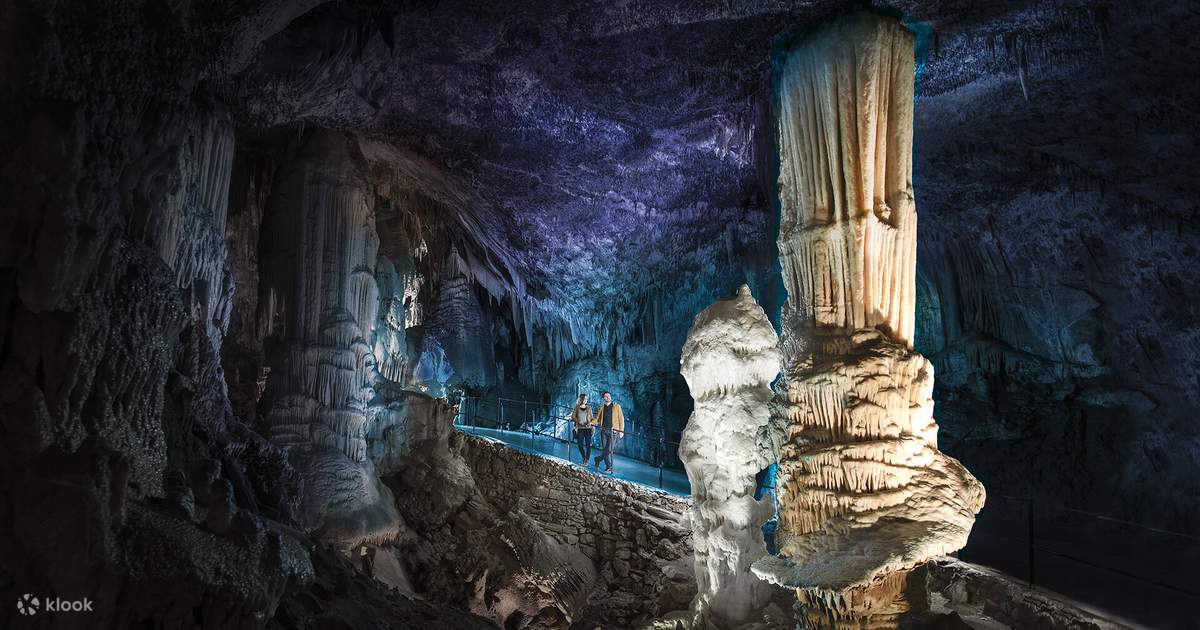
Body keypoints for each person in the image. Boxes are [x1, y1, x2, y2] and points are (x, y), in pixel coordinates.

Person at [591, 391, 624, 473]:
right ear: (603, 398)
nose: (608, 397)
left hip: (614, 431)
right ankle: (608, 466)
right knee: (605, 449)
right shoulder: (601, 407)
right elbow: (597, 419)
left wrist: (621, 431)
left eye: (609, 396)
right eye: (606, 396)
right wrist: (591, 422)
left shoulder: (617, 406)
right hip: (604, 431)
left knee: (609, 450)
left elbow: (621, 419)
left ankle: (598, 459)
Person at [571, 393, 595, 464]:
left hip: (588, 428)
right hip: (580, 428)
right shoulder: (576, 407)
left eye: (586, 399)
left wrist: (592, 424)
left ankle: (587, 459)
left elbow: (592, 418)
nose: (586, 400)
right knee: (580, 444)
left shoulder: (589, 408)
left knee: (588, 445)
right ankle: (584, 457)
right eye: (584, 399)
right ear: (581, 399)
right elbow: (573, 417)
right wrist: (578, 421)